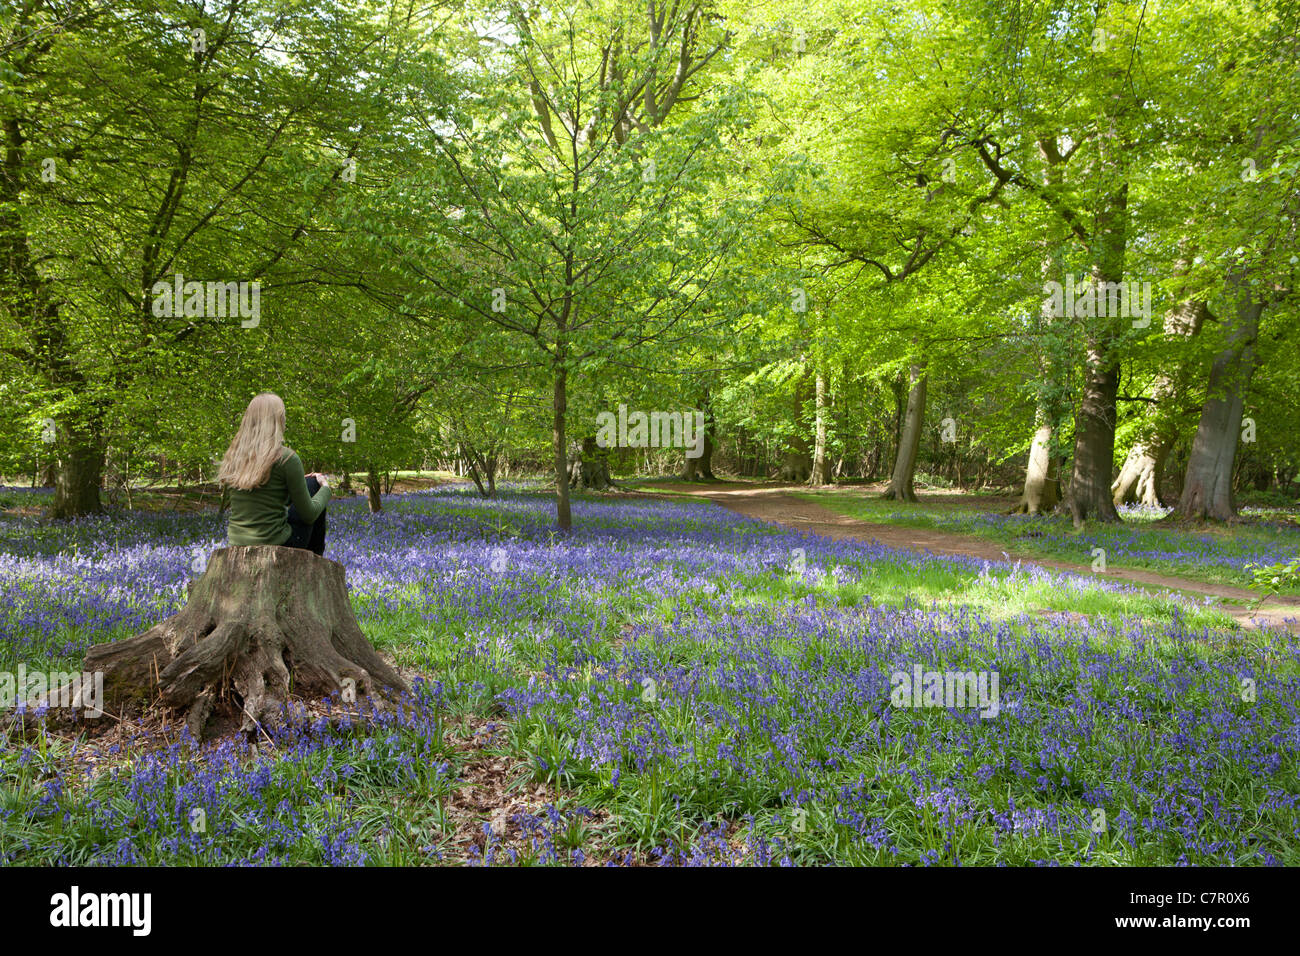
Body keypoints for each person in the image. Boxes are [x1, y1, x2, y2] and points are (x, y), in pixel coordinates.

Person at [217, 392, 332, 556]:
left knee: (308, 483)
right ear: (277, 421)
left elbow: (263, 499)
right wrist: (326, 488)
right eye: (283, 417)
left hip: (237, 545)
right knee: (314, 484)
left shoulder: (234, 457)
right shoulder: (286, 458)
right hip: (277, 546)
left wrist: (299, 481)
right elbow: (309, 515)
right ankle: (316, 560)